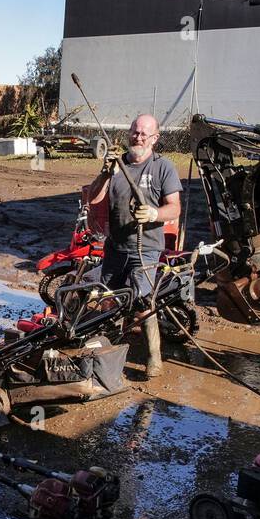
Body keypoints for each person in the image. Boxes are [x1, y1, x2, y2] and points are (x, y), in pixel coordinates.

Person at [83, 113, 181, 378]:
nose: (137, 137)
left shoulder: (163, 167)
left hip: (146, 248)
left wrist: (152, 214)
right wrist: (105, 173)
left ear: (155, 138)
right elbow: (93, 198)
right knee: (108, 299)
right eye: (134, 132)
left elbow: (174, 208)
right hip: (116, 246)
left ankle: (153, 358)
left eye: (143, 134)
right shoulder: (117, 165)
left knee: (143, 301)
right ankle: (108, 353)